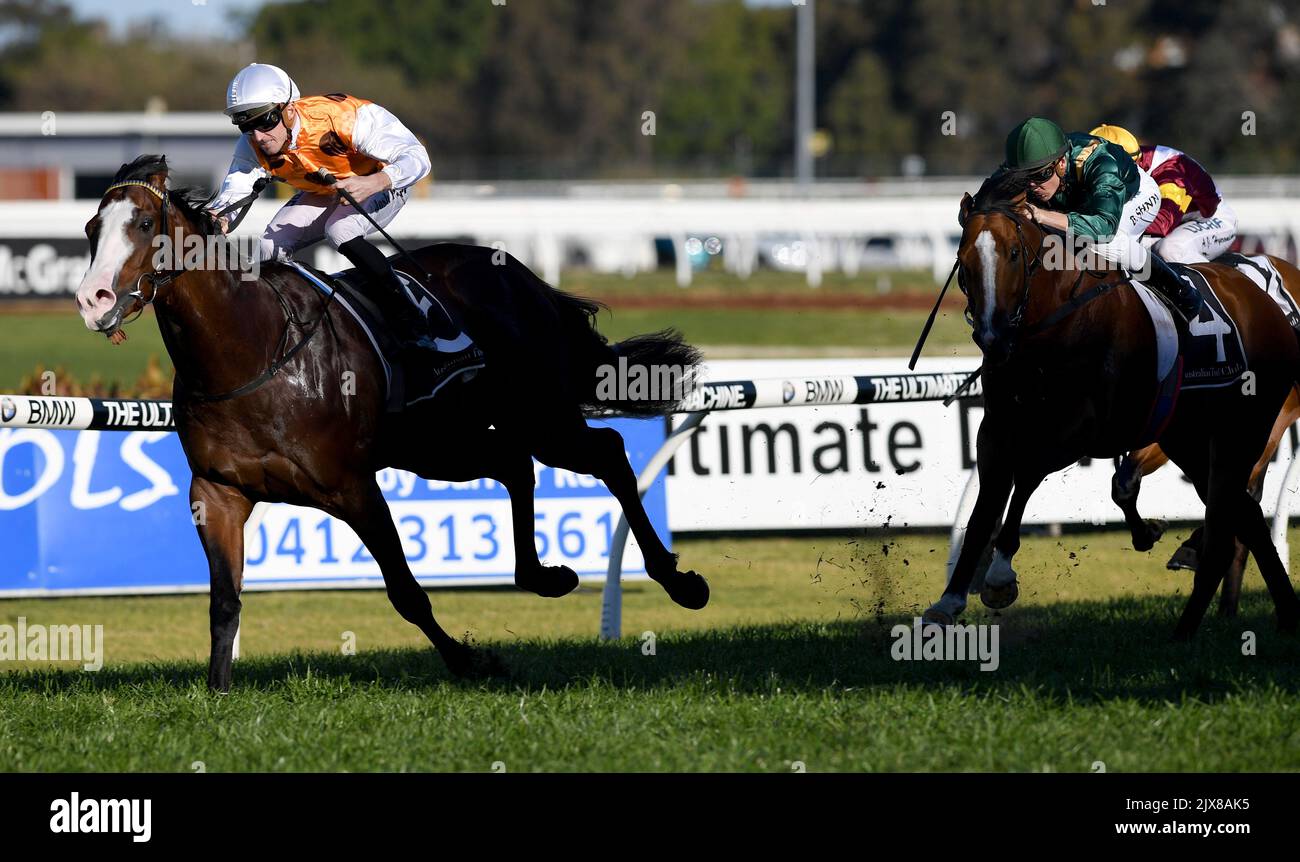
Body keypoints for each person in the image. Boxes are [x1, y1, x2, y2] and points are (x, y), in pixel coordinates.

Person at [208, 62, 438, 353]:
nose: (257, 137)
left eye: (264, 121)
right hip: (325, 190)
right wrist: (218, 217)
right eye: (245, 125)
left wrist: (377, 181)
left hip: (381, 181)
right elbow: (233, 194)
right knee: (268, 245)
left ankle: (411, 318)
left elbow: (417, 157)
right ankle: (284, 327)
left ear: (289, 109)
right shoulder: (251, 144)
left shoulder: (344, 118)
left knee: (340, 228)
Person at [1001, 117, 1203, 319]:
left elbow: (1104, 228)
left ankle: (1180, 290)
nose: (1032, 186)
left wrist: (1043, 215)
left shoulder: (1102, 165)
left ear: (1061, 163)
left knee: (1104, 244)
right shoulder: (1028, 165)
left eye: (1040, 175)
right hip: (1087, 199)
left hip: (1133, 196)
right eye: (1025, 178)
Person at [1090, 123, 1237, 264]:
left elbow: (1163, 223)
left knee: (1170, 249)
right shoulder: (1128, 157)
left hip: (1211, 220)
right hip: (1177, 220)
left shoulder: (1170, 173)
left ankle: (1201, 290)